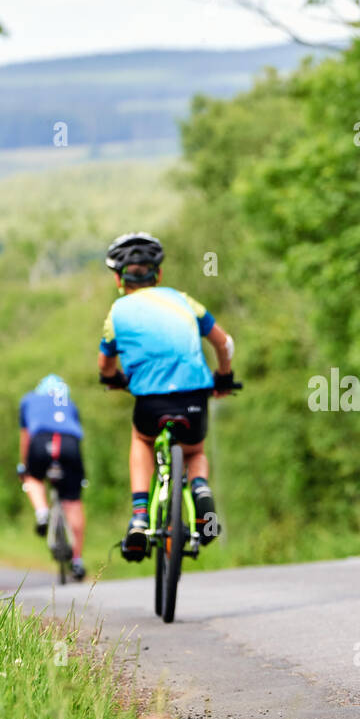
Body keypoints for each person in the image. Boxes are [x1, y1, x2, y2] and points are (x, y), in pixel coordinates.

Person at [96, 232, 236, 560]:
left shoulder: (117, 312)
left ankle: (140, 517)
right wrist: (225, 376)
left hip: (150, 401)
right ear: (157, 274)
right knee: (194, 450)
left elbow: (105, 363)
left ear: (119, 278)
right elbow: (224, 343)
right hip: (194, 397)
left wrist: (112, 379)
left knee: (142, 439)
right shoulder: (185, 301)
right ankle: (200, 488)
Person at [17, 374, 87, 581]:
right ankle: (77, 560)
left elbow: (25, 436)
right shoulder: (70, 403)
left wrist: (24, 465)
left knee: (33, 477)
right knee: (73, 501)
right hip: (69, 445)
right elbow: (76, 432)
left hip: (40, 442)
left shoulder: (28, 399)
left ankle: (42, 511)